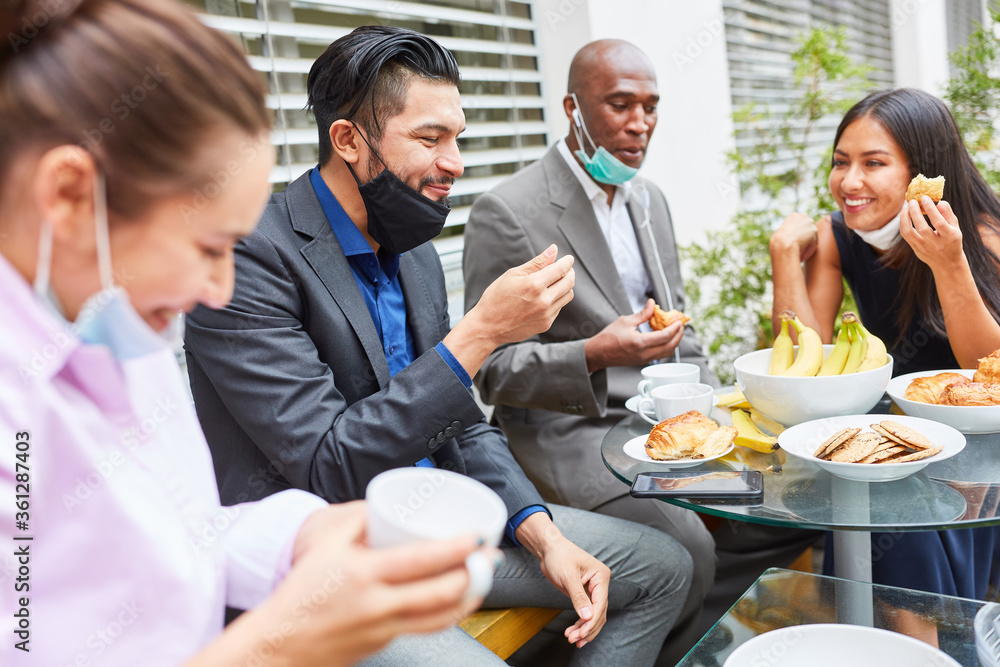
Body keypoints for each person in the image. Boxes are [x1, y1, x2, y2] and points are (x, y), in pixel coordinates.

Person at [0, 1, 495, 666]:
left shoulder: (125, 334)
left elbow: (182, 532)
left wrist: (304, 531)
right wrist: (278, 646)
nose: (220, 289)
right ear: (67, 196)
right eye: (207, 246)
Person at [183, 25, 693, 666]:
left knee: (664, 566)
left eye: (457, 138)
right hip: (330, 564)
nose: (454, 162)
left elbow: (461, 424)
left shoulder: (414, 253)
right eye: (430, 139)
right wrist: (482, 333)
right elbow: (326, 466)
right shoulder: (249, 259)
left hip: (446, 519)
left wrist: (540, 534)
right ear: (348, 140)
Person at [462, 39, 819, 659]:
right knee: (691, 548)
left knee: (798, 504)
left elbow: (681, 324)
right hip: (568, 438)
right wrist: (597, 352)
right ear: (572, 107)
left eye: (650, 106)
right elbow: (490, 371)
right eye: (620, 105)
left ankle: (671, 634)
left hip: (667, 427)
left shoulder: (649, 201)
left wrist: (724, 405)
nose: (639, 123)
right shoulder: (509, 212)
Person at [769, 88, 1000, 597]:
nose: (849, 182)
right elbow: (808, 363)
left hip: (978, 452)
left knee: (900, 527)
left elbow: (989, 368)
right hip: (885, 444)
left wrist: (947, 262)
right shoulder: (839, 236)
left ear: (923, 173)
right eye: (841, 162)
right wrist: (785, 255)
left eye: (874, 163)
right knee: (875, 504)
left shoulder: (984, 239)